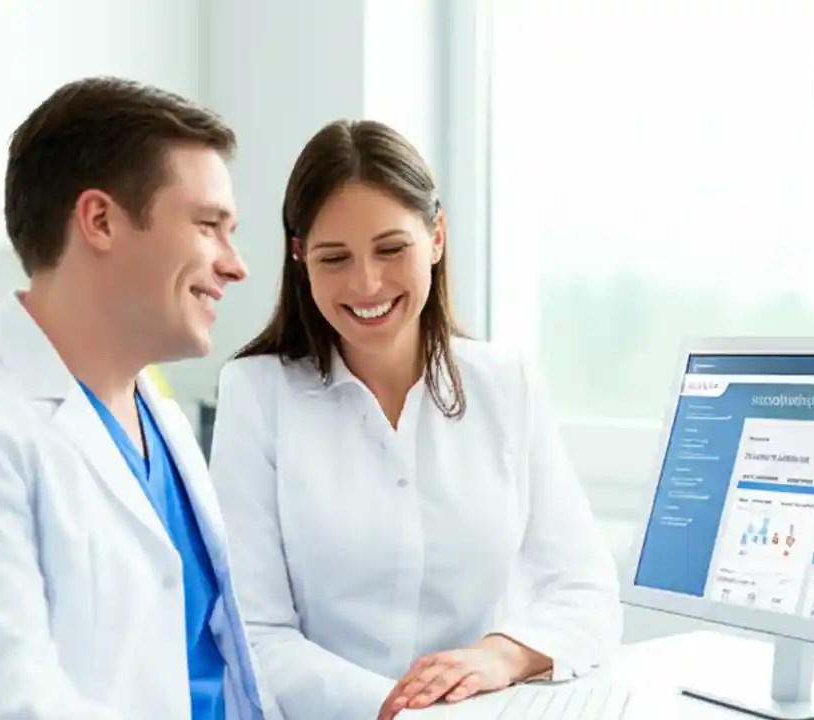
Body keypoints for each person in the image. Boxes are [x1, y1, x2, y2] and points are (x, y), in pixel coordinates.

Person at [0, 77, 269, 719]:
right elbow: (6, 709)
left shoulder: (156, 413)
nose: (236, 264)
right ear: (100, 220)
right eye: (209, 226)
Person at [208, 119, 622, 720]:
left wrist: (499, 656)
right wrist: (405, 711)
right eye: (334, 258)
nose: (366, 283)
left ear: (436, 236)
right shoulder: (257, 393)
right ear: (300, 257)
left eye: (391, 248)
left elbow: (586, 591)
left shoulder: (506, 383)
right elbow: (254, 632)